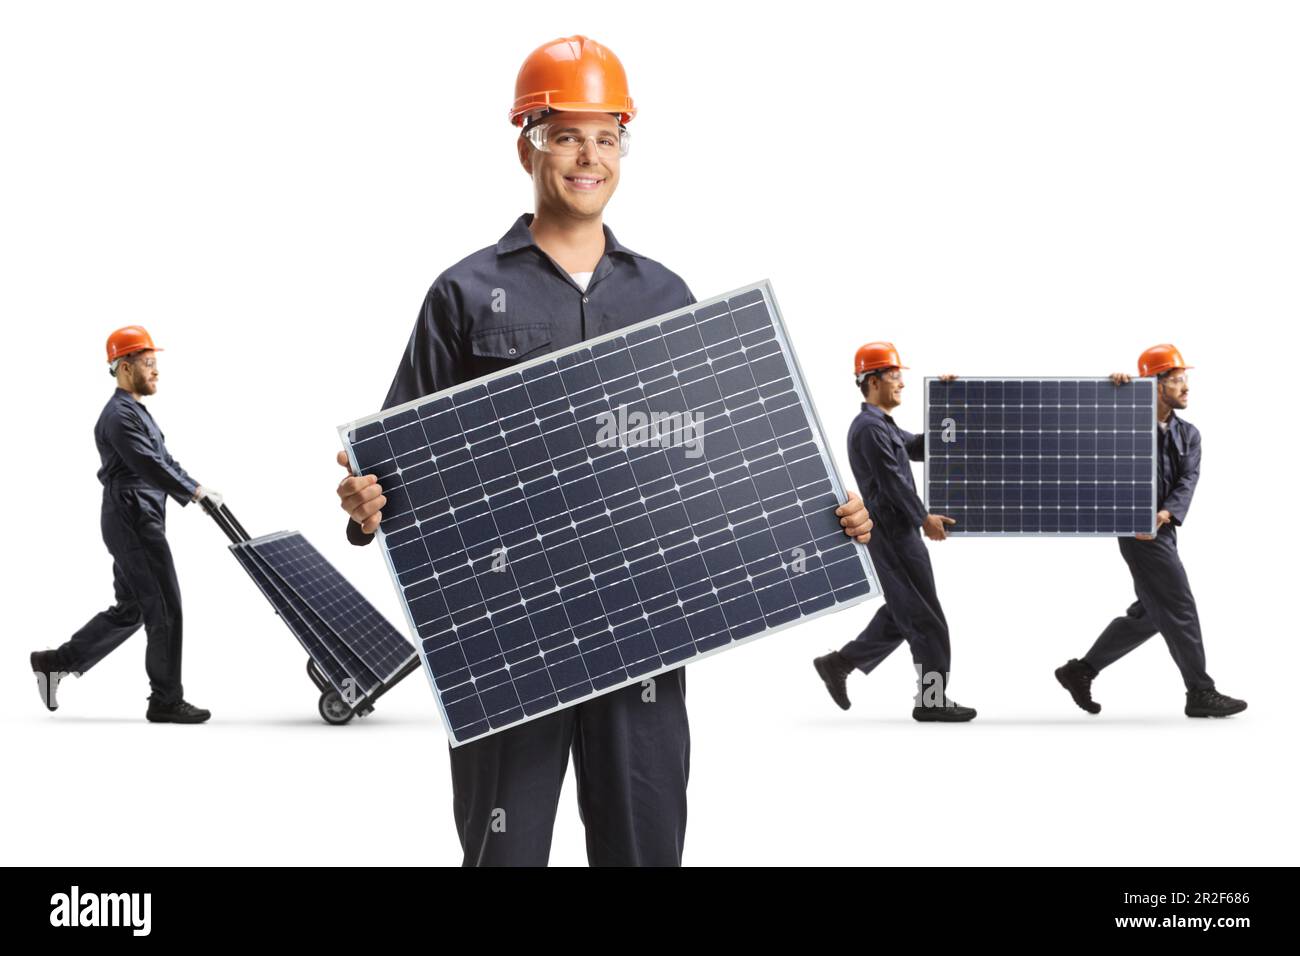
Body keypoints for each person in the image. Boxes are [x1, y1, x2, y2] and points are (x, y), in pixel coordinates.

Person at [335, 35, 873, 865]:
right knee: (502, 854)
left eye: (607, 136)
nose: (589, 156)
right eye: (566, 134)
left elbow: (722, 463)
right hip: (507, 634)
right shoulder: (463, 293)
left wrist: (821, 513)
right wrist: (368, 508)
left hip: (646, 630)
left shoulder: (667, 296)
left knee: (644, 850)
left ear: (623, 148)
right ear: (528, 144)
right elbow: (398, 458)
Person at [31, 325, 217, 722]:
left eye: (155, 363)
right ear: (123, 366)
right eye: (148, 363)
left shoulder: (137, 412)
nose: (156, 371)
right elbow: (147, 464)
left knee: (133, 607)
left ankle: (55, 662)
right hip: (131, 513)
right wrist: (194, 493)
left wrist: (196, 487)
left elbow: (165, 460)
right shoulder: (118, 416)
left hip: (138, 512)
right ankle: (165, 700)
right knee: (165, 607)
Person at [1055, 344, 1246, 718]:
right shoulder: (1125, 421)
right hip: (1136, 531)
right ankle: (1200, 692)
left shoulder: (1189, 434)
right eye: (1175, 379)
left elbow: (1187, 480)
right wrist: (1114, 396)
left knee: (1152, 613)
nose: (1185, 386)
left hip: (1163, 529)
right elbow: (1091, 441)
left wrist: (1166, 514)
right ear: (1154, 385)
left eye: (1184, 378)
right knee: (1179, 606)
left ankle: (1080, 670)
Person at [813, 343, 975, 721]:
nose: (902, 381)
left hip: (896, 533)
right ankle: (931, 701)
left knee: (904, 611)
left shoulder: (881, 424)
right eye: (894, 374)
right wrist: (923, 518)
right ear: (872, 380)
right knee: (926, 619)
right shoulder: (869, 429)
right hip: (893, 533)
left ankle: (839, 662)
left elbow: (917, 447)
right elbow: (891, 483)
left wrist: (948, 406)